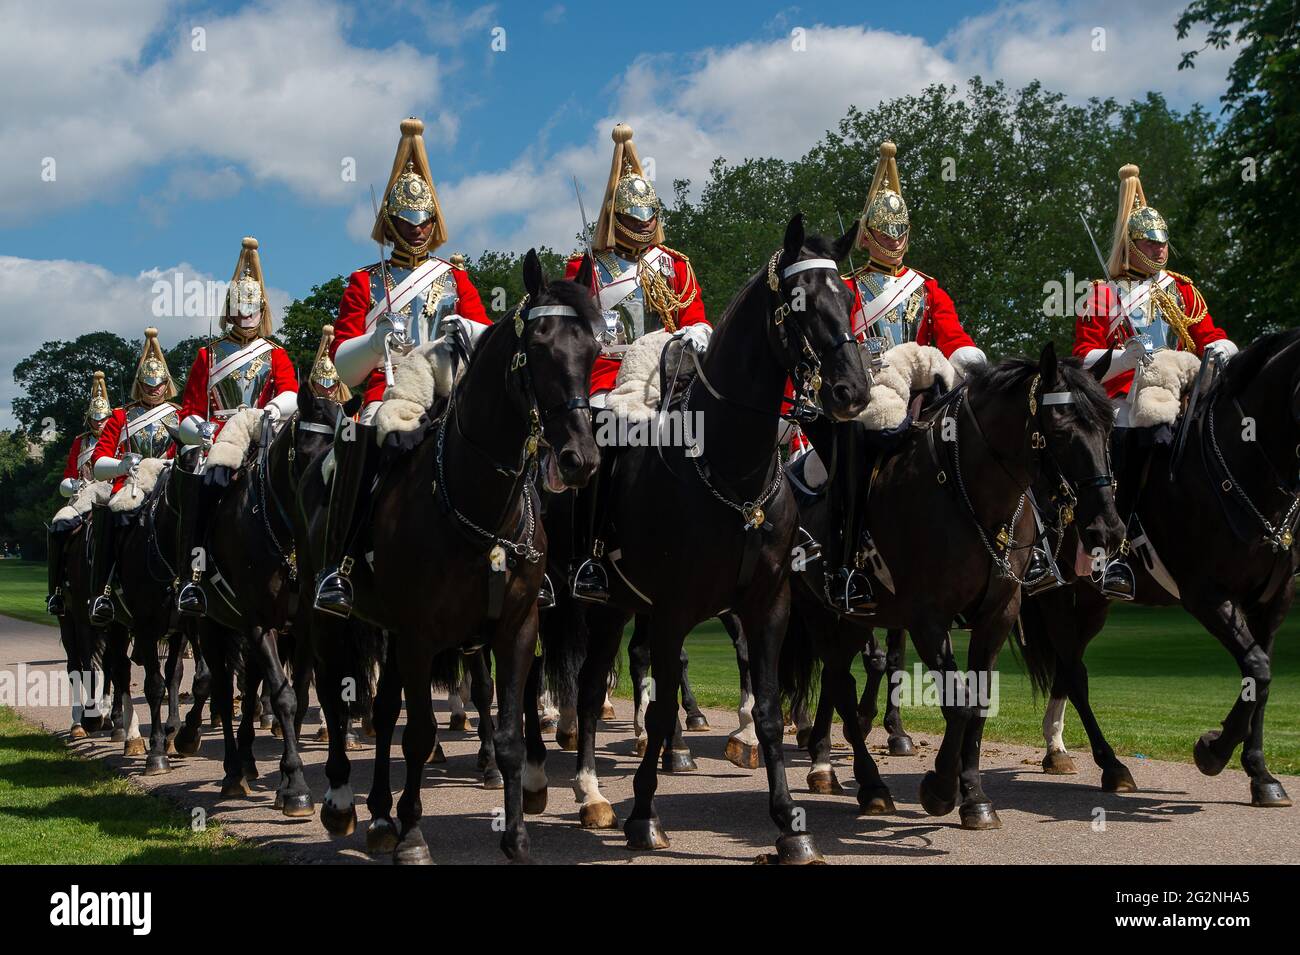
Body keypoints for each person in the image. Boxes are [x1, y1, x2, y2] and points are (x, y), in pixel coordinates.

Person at [313, 117, 491, 618]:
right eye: (406, 220)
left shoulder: (456, 279)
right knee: (351, 454)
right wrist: (374, 340)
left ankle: (517, 562)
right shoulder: (364, 283)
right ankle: (341, 567)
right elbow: (343, 369)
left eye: (422, 219)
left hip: (447, 395)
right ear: (390, 223)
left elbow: (487, 336)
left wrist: (465, 328)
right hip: (385, 398)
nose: (415, 228)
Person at [826, 140, 986, 613]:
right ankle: (848, 563)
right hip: (867, 395)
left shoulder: (927, 287)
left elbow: (952, 335)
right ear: (867, 235)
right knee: (851, 464)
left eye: (900, 231)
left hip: (923, 394)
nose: (894, 239)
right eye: (884, 231)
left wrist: (966, 360)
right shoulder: (849, 288)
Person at [1074, 163, 1237, 598]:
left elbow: (1208, 334)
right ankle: (1117, 551)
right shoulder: (1103, 293)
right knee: (1128, 444)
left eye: (1163, 241)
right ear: (1132, 243)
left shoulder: (1183, 289)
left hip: (1180, 389)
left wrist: (1222, 347)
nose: (1160, 249)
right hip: (1125, 396)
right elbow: (1083, 360)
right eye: (1149, 241)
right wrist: (1124, 357)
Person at [564, 123, 708, 603]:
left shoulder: (676, 265)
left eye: (649, 214)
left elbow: (695, 317)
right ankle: (592, 552)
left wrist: (697, 331)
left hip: (669, 380)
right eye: (632, 215)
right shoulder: (586, 266)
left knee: (709, 436)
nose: (644, 223)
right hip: (608, 378)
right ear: (614, 214)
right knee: (602, 445)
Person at [173, 237, 299, 615]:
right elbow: (189, 410)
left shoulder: (275, 353)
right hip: (219, 443)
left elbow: (290, 391)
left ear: (262, 312)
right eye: (240, 312)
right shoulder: (207, 355)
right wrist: (200, 431)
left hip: (262, 436)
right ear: (230, 312)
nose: (246, 319)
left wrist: (274, 411)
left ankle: (300, 567)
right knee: (200, 494)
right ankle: (193, 578)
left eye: (253, 312)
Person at [87, 329, 180, 625]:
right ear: (139, 384)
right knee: (110, 517)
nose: (154, 389)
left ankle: (196, 580)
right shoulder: (120, 416)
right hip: (132, 485)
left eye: (159, 383)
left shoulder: (180, 415)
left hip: (169, 482)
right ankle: (103, 589)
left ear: (167, 383)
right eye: (148, 384)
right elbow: (98, 460)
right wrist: (121, 465)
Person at [45, 371, 113, 615]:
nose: (99, 423)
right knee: (59, 526)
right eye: (95, 418)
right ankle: (57, 590)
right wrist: (71, 485)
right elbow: (69, 472)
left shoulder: (117, 438)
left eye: (104, 418)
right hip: (82, 499)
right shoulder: (80, 442)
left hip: (110, 495)